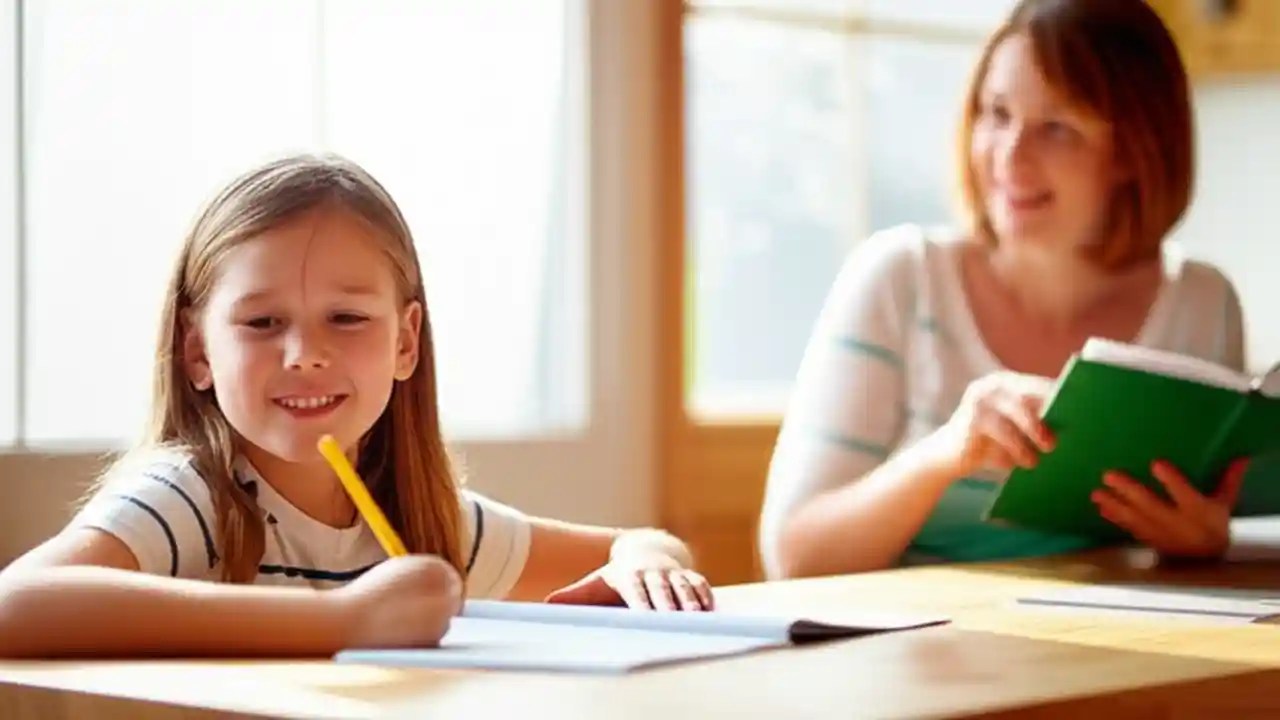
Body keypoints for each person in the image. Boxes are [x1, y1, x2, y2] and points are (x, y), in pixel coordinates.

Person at [0, 153, 712, 658]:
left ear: (406, 343)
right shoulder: (191, 500)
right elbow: (14, 608)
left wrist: (649, 558)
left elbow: (633, 542)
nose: (304, 353)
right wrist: (343, 619)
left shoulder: (419, 516)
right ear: (197, 352)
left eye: (345, 319)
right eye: (261, 323)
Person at [758, 0, 1249, 580]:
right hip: (917, 656)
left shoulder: (1203, 305)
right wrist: (945, 454)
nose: (1010, 156)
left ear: (1133, 153)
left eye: (1057, 128)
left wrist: (1205, 541)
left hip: (1119, 656)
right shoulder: (900, 279)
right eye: (996, 114)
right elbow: (793, 558)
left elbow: (1207, 528)